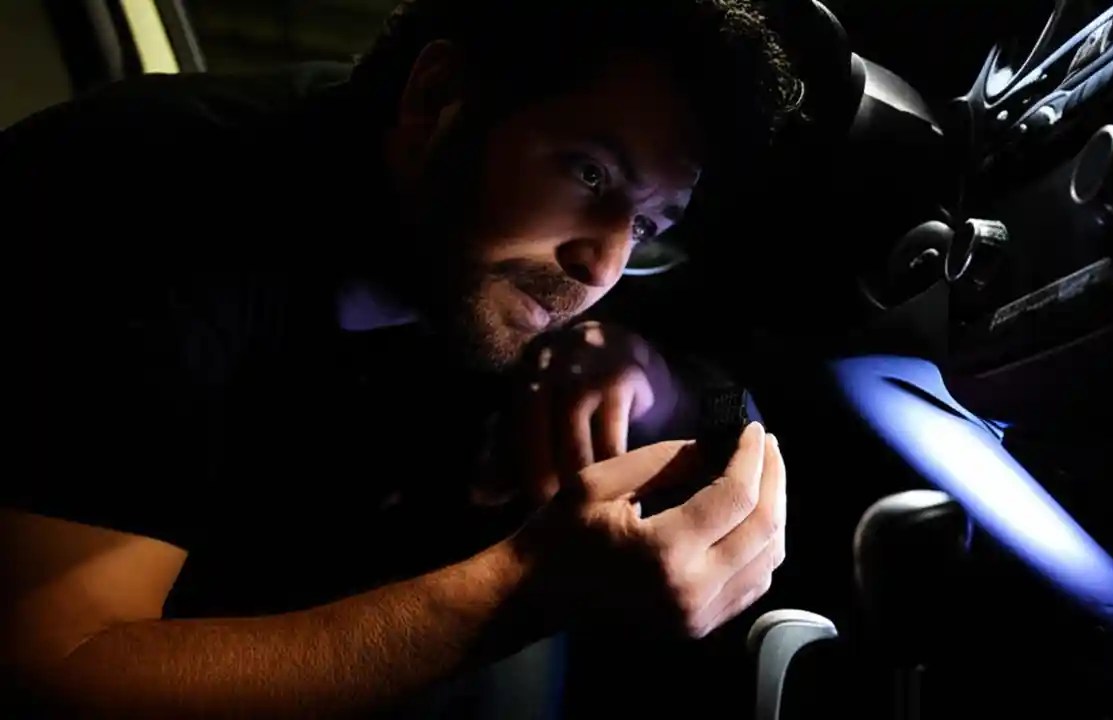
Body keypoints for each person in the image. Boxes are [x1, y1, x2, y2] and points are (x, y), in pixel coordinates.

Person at [0, 0, 802, 716]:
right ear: (434, 97)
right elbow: (60, 670)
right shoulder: (140, 204)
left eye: (650, 226)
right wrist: (523, 589)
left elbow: (712, 368)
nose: (602, 267)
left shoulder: (510, 241)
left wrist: (644, 373)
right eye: (590, 173)